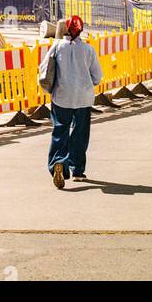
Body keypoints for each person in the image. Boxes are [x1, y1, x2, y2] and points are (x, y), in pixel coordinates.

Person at [42, 15, 104, 188]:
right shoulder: (88, 50)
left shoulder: (57, 47)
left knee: (60, 131)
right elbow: (97, 76)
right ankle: (77, 170)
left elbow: (44, 71)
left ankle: (58, 163)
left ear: (66, 29)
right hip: (83, 98)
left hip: (61, 97)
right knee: (80, 133)